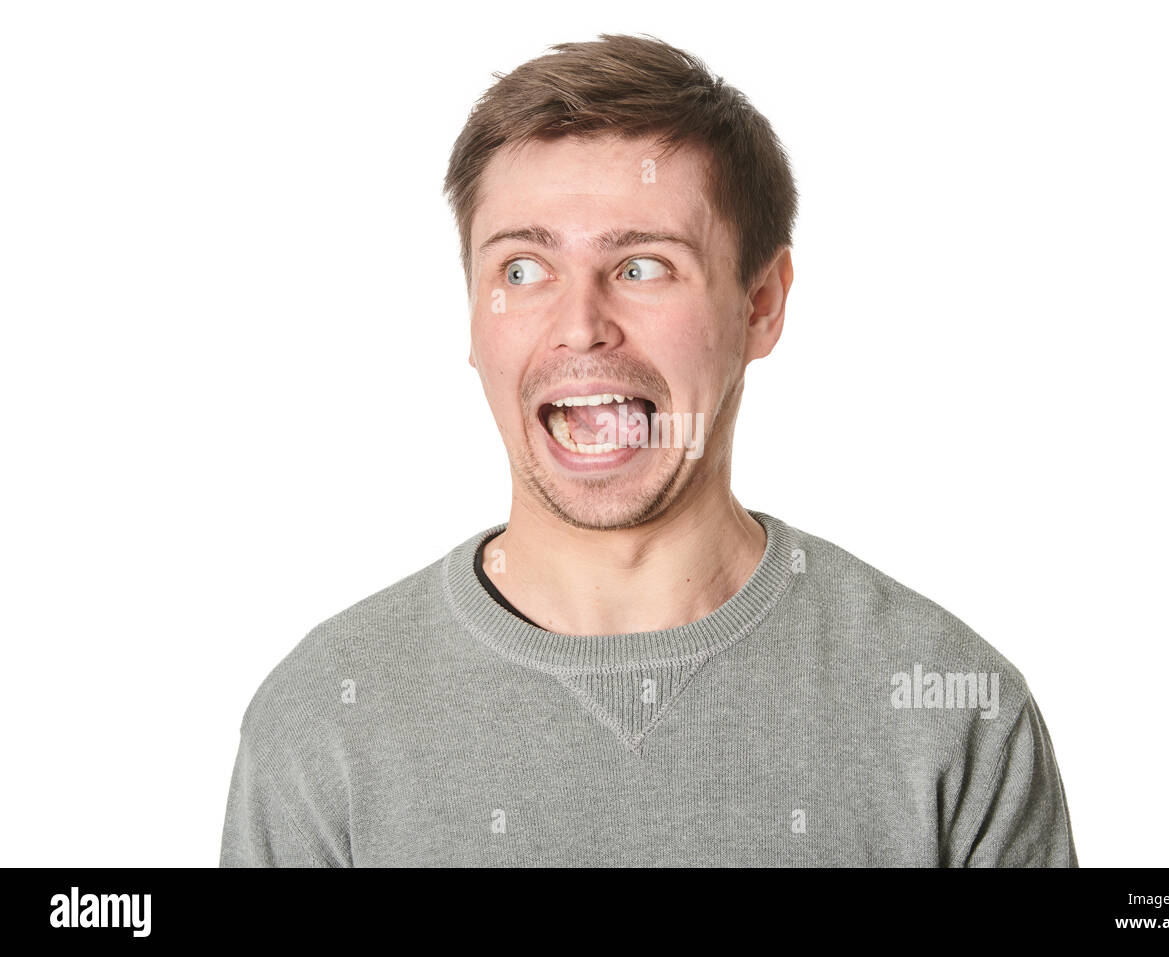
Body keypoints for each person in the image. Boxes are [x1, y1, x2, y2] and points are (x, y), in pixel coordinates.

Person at [220, 33, 1077, 867]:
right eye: (522, 269)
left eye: (643, 266)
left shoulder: (954, 710)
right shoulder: (322, 721)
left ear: (763, 304)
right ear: (473, 317)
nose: (580, 324)